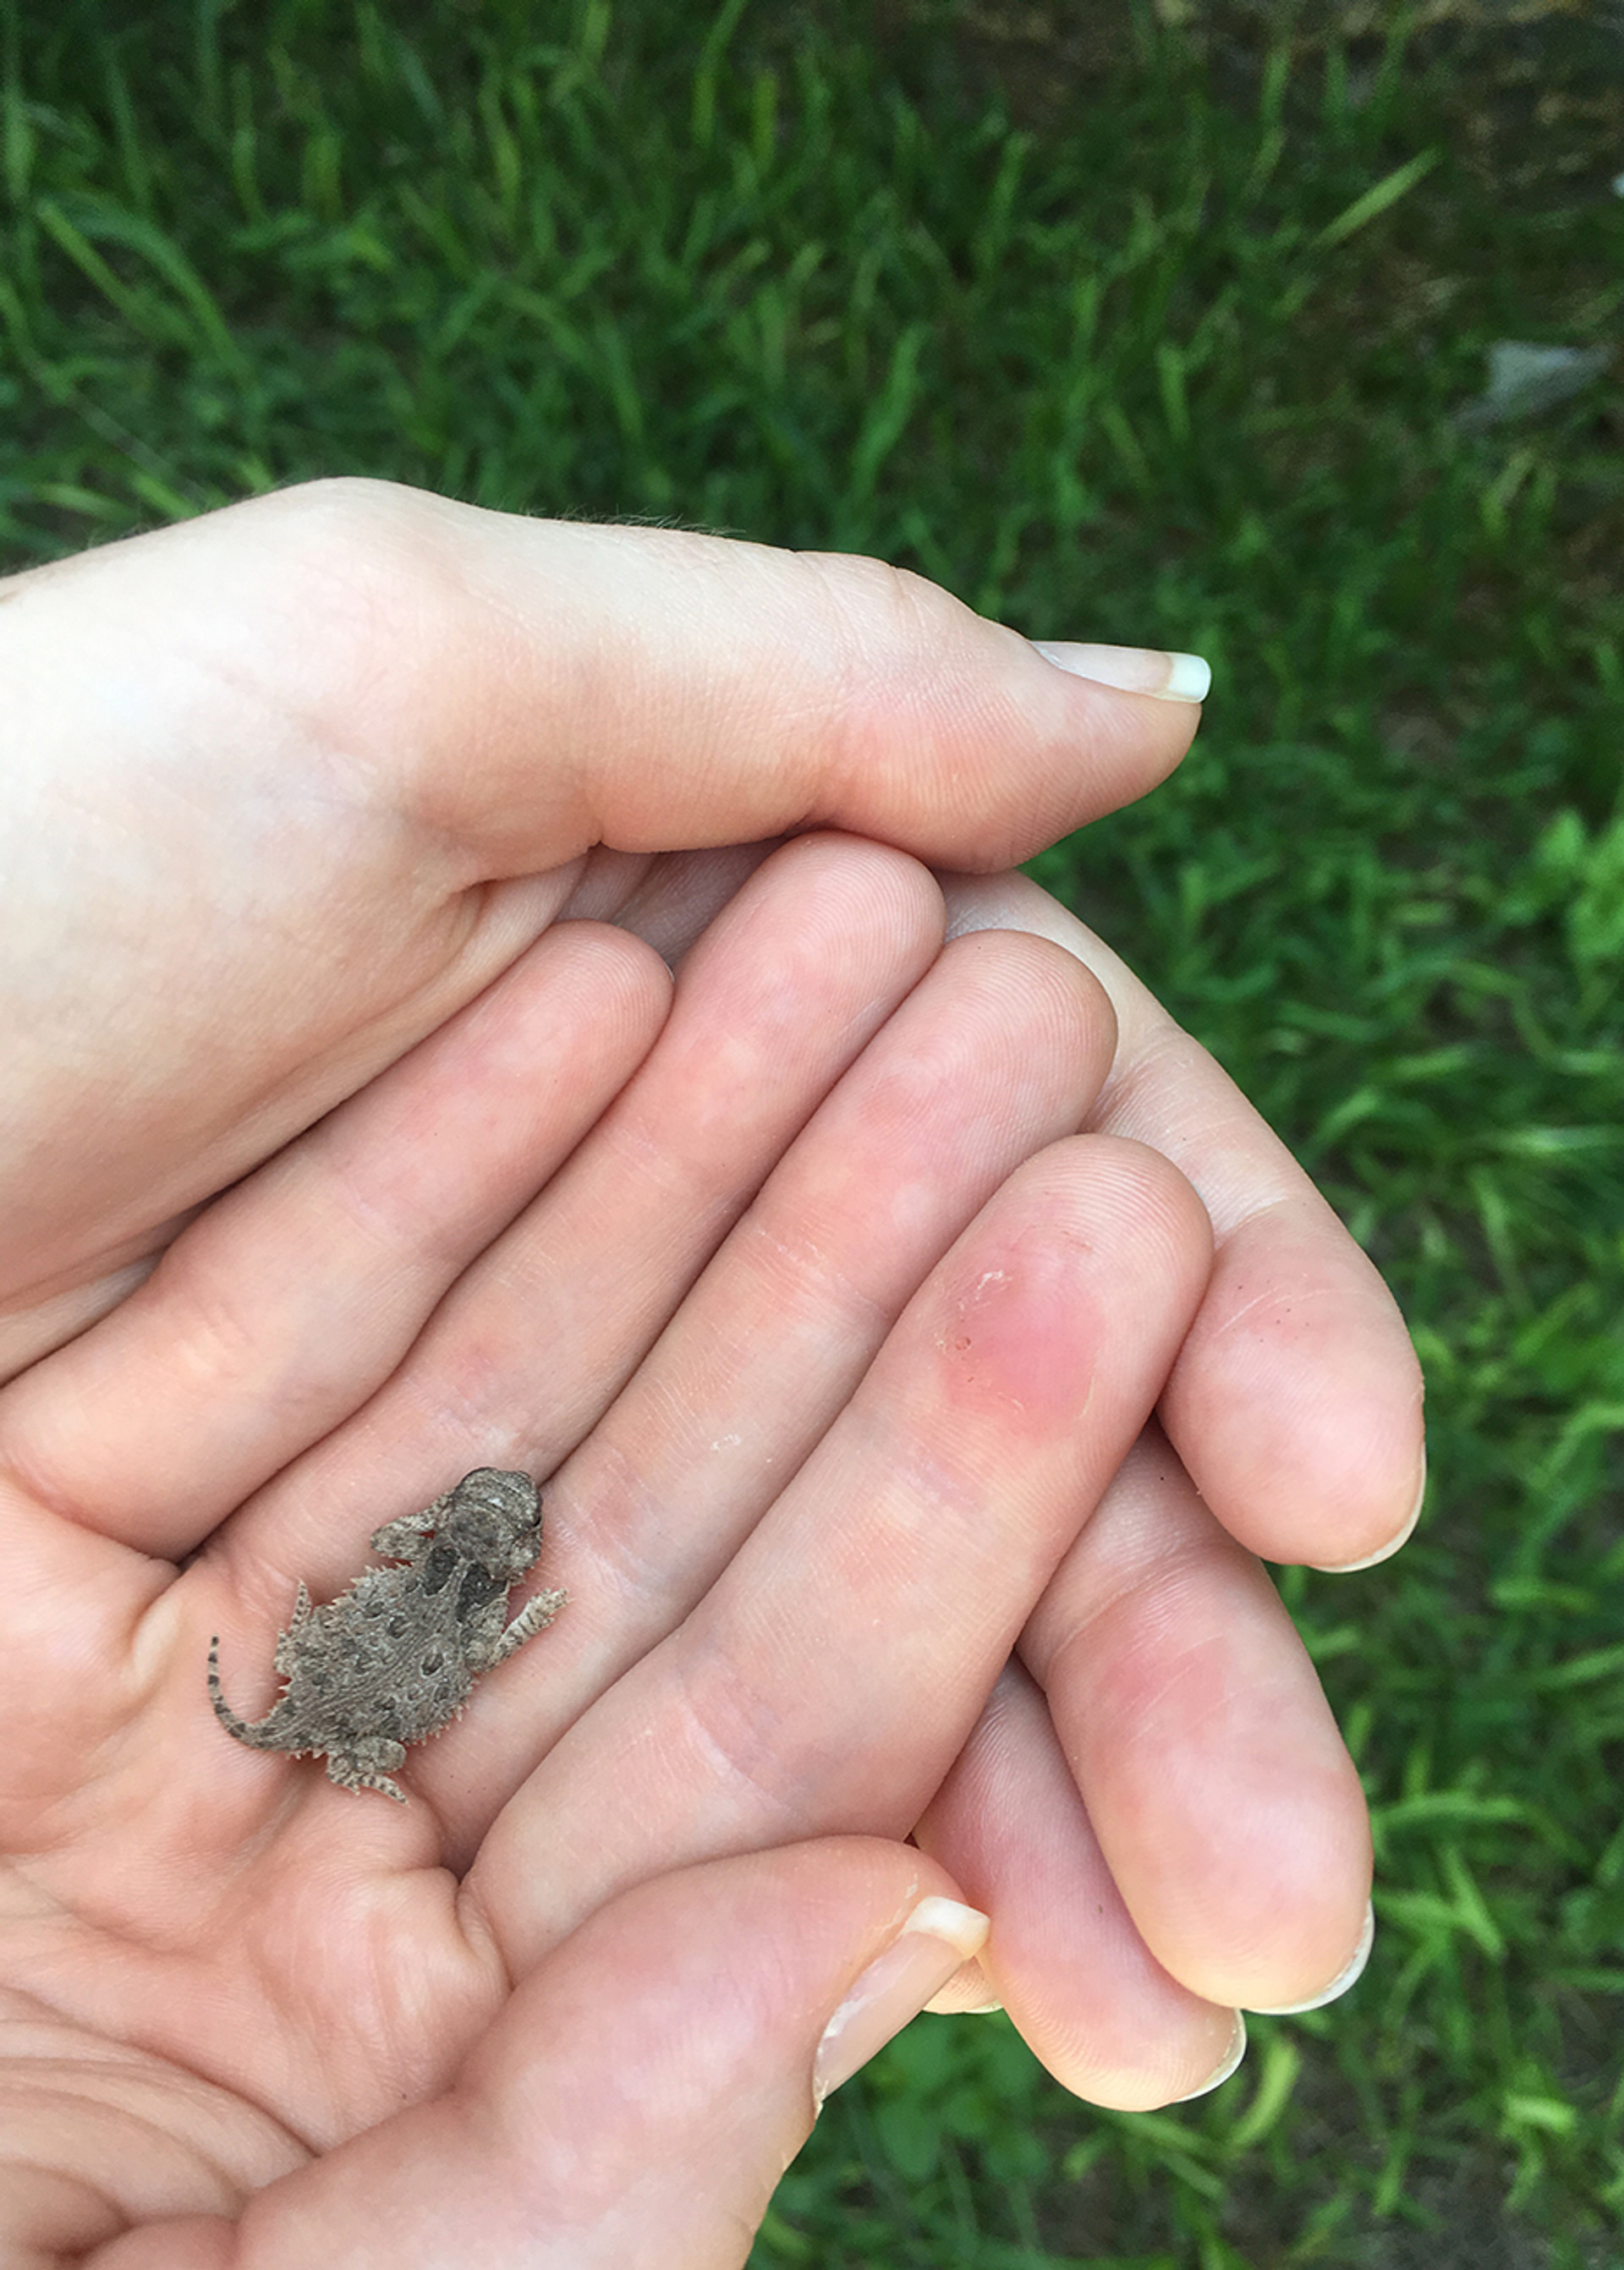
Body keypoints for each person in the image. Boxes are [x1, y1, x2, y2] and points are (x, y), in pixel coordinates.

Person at [0, 480, 1424, 2268]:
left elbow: (404, 1594)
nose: (490, 1525)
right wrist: (454, 1646)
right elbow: (461, 1627)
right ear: (479, 1540)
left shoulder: (425, 1565)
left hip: (353, 1665)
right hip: (362, 1678)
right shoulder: (471, 1588)